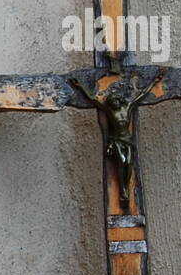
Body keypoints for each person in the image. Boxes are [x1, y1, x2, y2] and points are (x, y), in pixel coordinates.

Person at [70, 70, 164, 212]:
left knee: (129, 164)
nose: (112, 101)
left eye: (114, 99)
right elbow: (93, 99)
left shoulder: (128, 107)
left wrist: (155, 81)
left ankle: (126, 187)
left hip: (128, 139)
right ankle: (124, 190)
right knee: (122, 161)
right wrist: (80, 86)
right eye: (110, 100)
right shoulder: (110, 111)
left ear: (118, 100)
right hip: (117, 141)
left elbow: (143, 94)